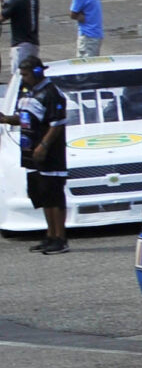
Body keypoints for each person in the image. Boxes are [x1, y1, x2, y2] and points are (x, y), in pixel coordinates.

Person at [15, 49, 66, 254]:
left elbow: (57, 124)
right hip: (31, 154)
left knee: (54, 196)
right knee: (42, 195)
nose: (23, 78)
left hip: (49, 154)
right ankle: (50, 235)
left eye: (26, 74)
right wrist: (7, 119)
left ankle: (60, 239)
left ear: (37, 72)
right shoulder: (27, 90)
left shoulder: (51, 93)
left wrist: (43, 146)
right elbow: (24, 118)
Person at [4, 0, 37, 78]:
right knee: (31, 75)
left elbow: (2, 17)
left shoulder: (16, 0)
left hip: (20, 45)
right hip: (33, 43)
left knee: (18, 77)